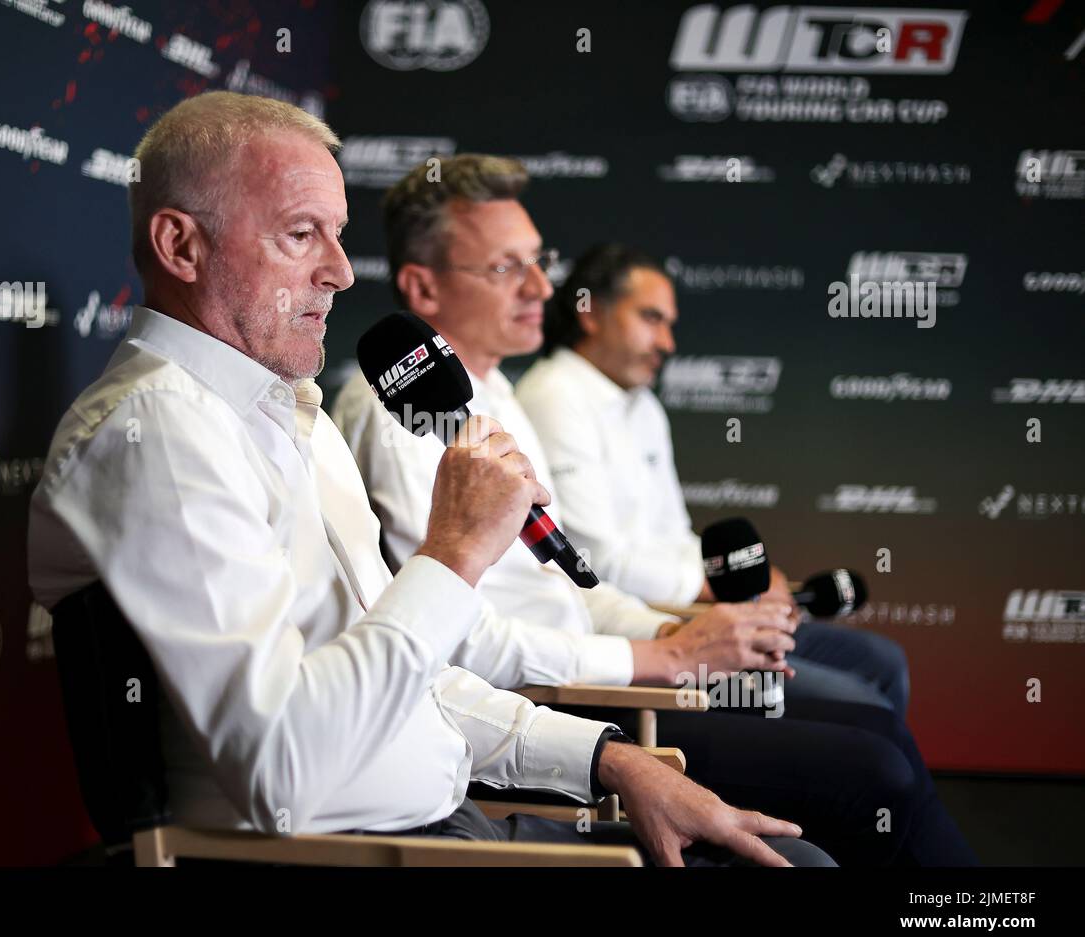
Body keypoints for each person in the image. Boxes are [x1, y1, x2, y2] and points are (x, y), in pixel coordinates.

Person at [26, 91, 829, 867]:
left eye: (337, 235)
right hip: (370, 857)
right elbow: (282, 769)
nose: (340, 272)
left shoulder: (286, 411)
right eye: (301, 234)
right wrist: (451, 555)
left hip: (456, 822)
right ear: (181, 247)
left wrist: (607, 759)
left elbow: (413, 673)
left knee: (791, 852)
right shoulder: (160, 433)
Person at [332, 153, 976, 865]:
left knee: (876, 736)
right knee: (875, 768)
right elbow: (460, 641)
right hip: (551, 701)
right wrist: (658, 654)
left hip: (600, 676)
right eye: (505, 269)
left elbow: (576, 588)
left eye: (538, 263)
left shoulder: (496, 392)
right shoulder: (403, 413)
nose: (542, 287)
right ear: (423, 285)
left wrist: (676, 632)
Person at [518, 241, 909, 717]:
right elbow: (592, 562)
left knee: (882, 663)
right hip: (641, 642)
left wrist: (752, 585)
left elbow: (675, 535)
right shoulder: (554, 394)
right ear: (591, 313)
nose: (668, 343)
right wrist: (716, 591)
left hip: (691, 619)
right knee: (862, 706)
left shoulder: (643, 405)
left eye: (669, 323)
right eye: (651, 318)